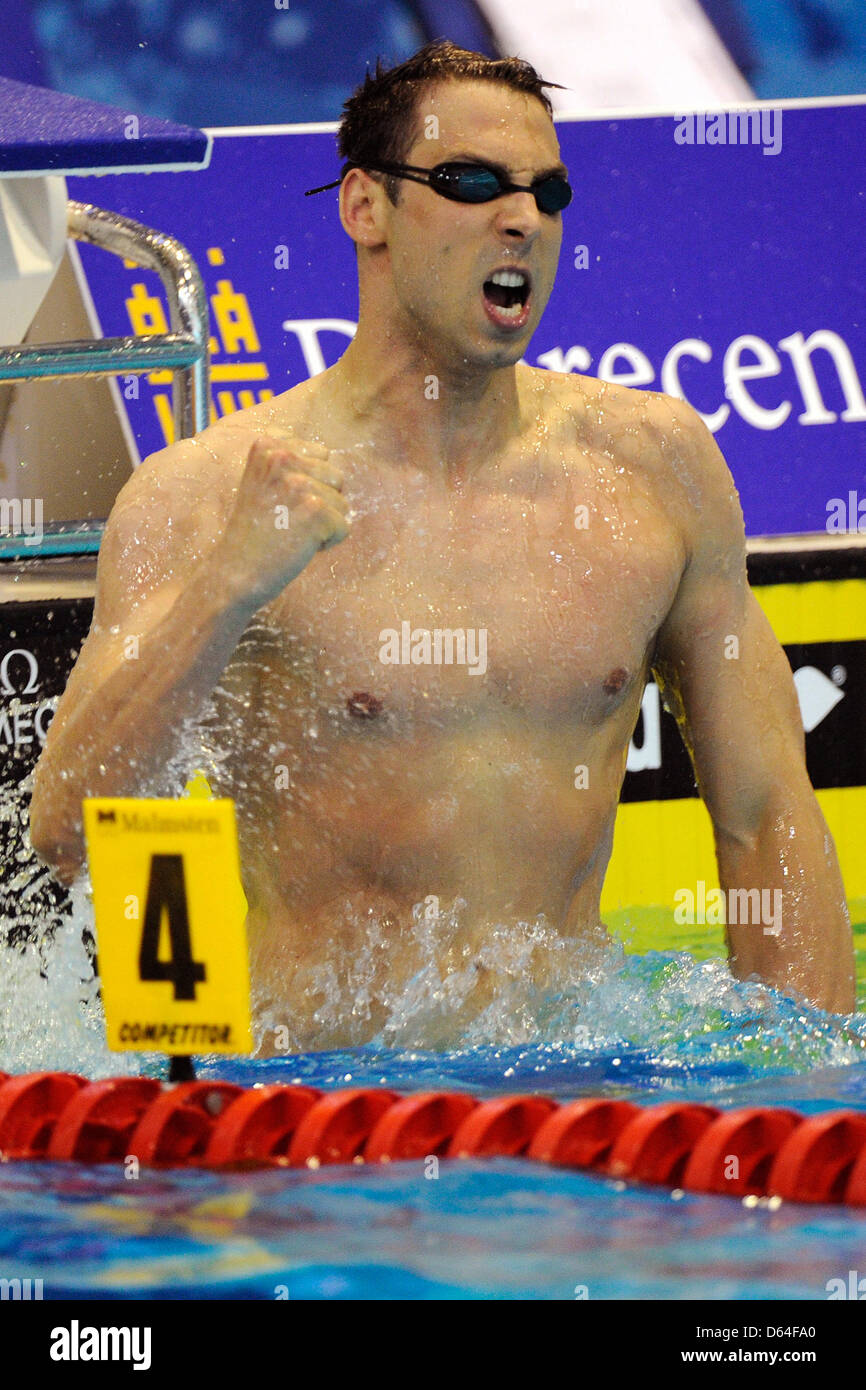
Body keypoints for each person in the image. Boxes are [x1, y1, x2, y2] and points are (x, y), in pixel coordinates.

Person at [29, 41, 854, 1048]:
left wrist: (816, 1109)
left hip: (573, 1111)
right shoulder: (204, 499)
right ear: (363, 208)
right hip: (329, 1123)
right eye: (471, 183)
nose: (521, 218)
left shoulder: (653, 470)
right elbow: (67, 830)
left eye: (546, 193)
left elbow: (764, 810)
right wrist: (227, 587)